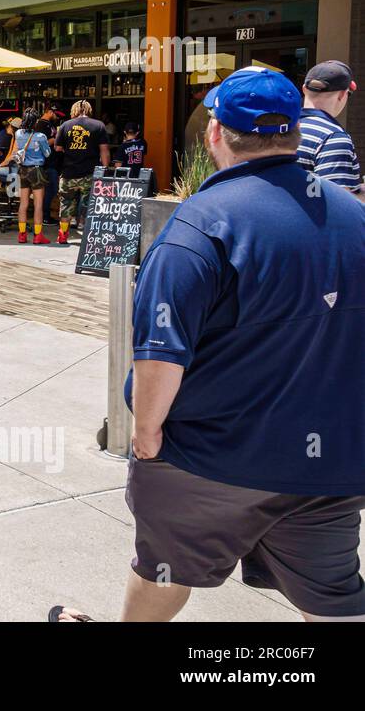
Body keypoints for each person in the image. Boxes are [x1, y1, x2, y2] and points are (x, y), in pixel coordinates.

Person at [52, 67, 365, 623]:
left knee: (164, 568)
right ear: (297, 130)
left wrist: (145, 435)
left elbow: (160, 352)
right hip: (329, 467)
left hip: (209, 460)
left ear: (215, 132)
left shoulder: (200, 225)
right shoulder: (355, 217)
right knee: (333, 598)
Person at [295, 60, 363, 202]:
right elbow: (338, 204)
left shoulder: (282, 126)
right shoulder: (332, 137)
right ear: (342, 94)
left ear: (304, 89)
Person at [54, 100, 110, 246]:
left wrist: (69, 150)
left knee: (66, 204)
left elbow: (58, 148)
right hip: (90, 173)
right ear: (88, 110)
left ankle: (62, 235)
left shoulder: (65, 125)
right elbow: (104, 150)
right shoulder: (99, 125)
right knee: (90, 204)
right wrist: (105, 169)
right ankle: (88, 236)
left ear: (75, 110)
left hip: (68, 173)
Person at [12, 108, 52, 244]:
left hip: (23, 170)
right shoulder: (41, 137)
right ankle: (37, 235)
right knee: (38, 205)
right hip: (37, 171)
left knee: (23, 203)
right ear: (35, 121)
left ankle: (22, 235)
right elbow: (47, 153)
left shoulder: (18, 133)